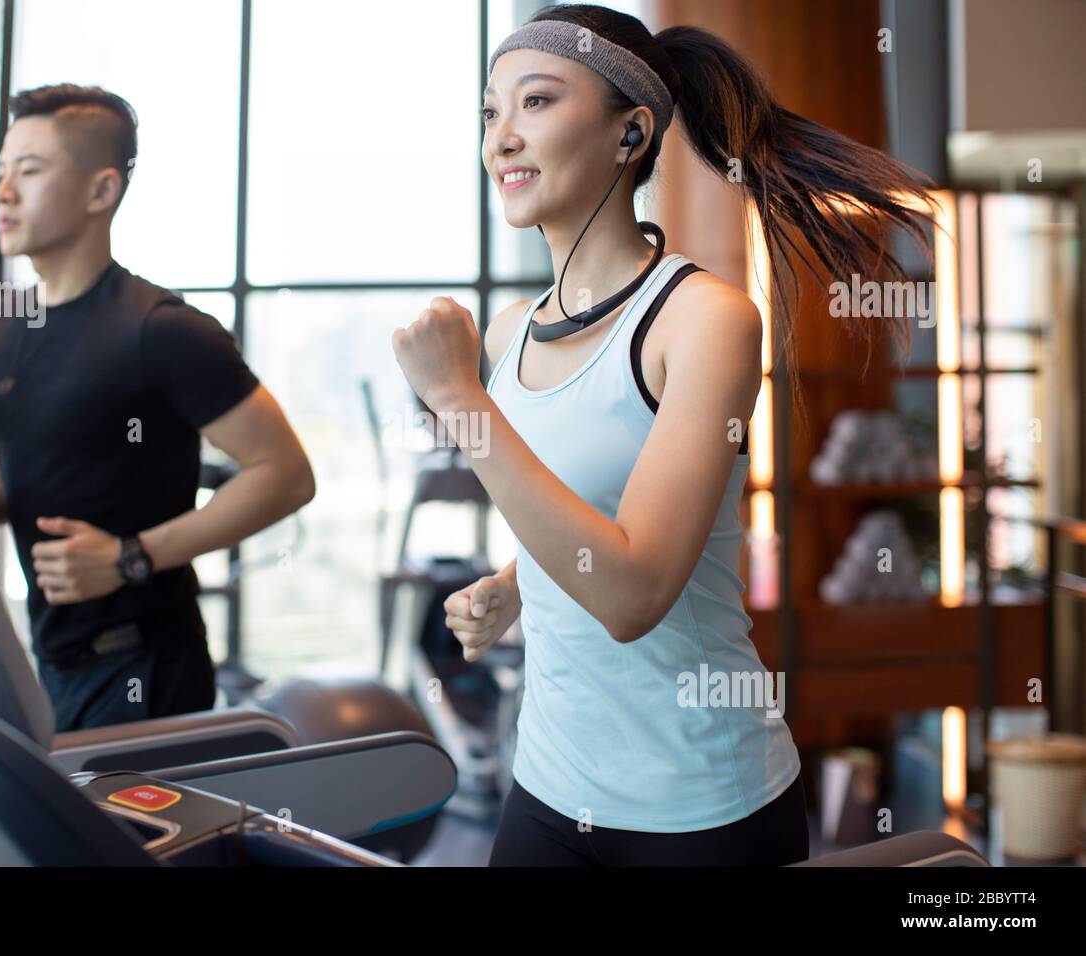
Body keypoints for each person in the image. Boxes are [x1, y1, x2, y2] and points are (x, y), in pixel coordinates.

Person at [392, 4, 935, 865]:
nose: (501, 138)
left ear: (631, 133)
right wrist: (516, 583)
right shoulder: (506, 336)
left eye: (535, 103)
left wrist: (462, 403)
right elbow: (590, 511)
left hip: (702, 807)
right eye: (490, 113)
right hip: (548, 787)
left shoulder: (703, 321)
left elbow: (633, 593)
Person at [0, 84, 315, 733]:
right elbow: (5, 469)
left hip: (146, 667)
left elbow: (284, 473)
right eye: (1, 172)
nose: (3, 191)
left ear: (100, 191)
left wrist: (129, 557)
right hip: (48, 660)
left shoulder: (162, 330)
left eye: (28, 171)